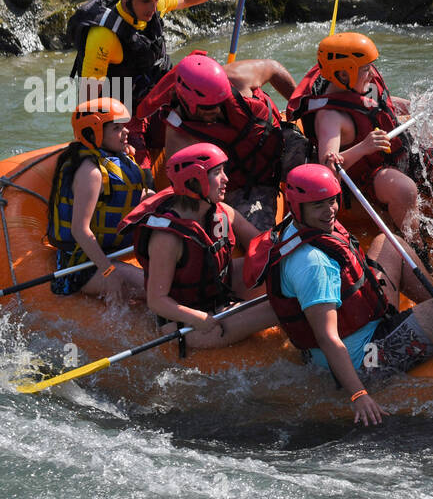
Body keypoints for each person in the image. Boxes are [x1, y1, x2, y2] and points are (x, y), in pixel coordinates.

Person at [256, 164, 433, 425]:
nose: (330, 212)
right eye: (318, 206)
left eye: (332, 201)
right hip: (366, 360)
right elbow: (327, 337)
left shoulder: (298, 228)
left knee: (389, 243)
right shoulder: (314, 264)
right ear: (297, 206)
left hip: (368, 323)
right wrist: (359, 394)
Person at [285, 31, 433, 261]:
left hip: (404, 151)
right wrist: (363, 146)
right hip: (373, 172)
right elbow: (328, 168)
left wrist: (417, 106)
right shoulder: (330, 117)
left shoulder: (357, 83)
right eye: (365, 69)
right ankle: (419, 250)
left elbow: (380, 105)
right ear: (343, 73)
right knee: (405, 190)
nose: (372, 74)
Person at [123, 143, 277, 352]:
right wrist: (199, 318)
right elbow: (156, 301)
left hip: (219, 292)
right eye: (217, 173)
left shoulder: (223, 211)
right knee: (278, 307)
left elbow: (263, 246)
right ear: (194, 181)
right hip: (185, 325)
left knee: (280, 277)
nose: (226, 179)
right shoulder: (167, 238)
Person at [134, 51, 307, 231]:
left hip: (281, 148)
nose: (217, 110)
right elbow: (185, 188)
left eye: (221, 102)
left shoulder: (238, 77)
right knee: (259, 238)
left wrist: (301, 108)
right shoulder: (178, 133)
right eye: (208, 107)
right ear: (187, 102)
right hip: (241, 186)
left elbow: (274, 68)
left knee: (318, 177)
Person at [67, 0, 256, 111]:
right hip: (129, 113)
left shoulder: (154, 3)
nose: (153, 8)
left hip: (163, 95)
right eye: (146, 2)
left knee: (210, 72)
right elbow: (88, 98)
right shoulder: (103, 36)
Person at [47, 97, 150, 299]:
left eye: (124, 126)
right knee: (156, 289)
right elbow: (80, 230)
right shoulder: (90, 172)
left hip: (110, 251)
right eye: (117, 128)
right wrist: (108, 271)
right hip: (80, 264)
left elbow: (124, 197)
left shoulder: (114, 158)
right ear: (93, 133)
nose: (126, 131)